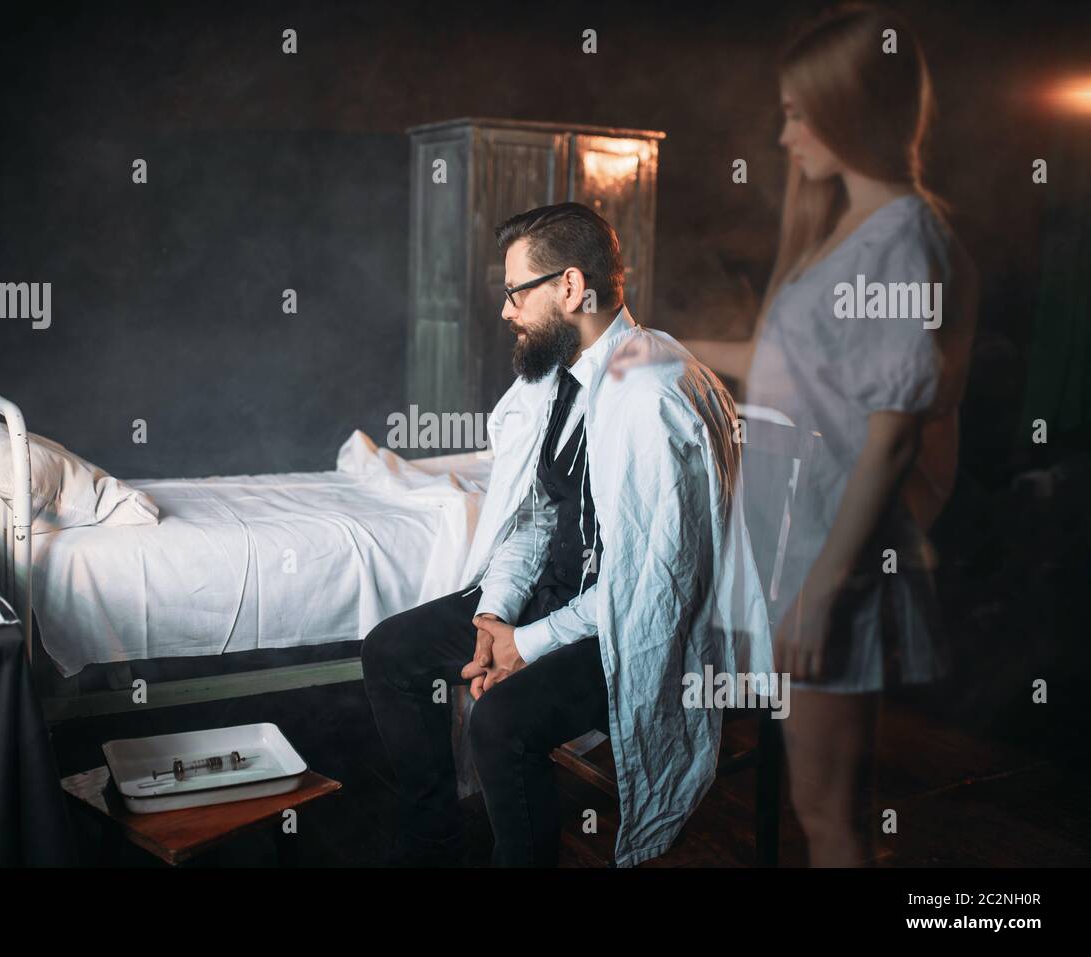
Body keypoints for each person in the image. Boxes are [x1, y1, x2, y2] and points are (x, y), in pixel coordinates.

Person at [627, 4, 978, 866]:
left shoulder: (902, 239)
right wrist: (664, 347)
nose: (783, 136)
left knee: (829, 814)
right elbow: (788, 365)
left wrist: (823, 591)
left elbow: (896, 436)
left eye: (796, 112)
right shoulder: (849, 233)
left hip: (838, 558)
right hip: (802, 540)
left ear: (851, 107)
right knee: (812, 798)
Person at [362, 202, 771, 867]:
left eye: (516, 292)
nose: (506, 310)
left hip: (631, 627)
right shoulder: (562, 377)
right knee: (392, 651)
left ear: (573, 288)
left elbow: (649, 591)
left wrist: (527, 643)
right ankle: (431, 847)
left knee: (499, 723)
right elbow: (538, 513)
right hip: (562, 600)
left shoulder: (651, 394)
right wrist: (497, 611)